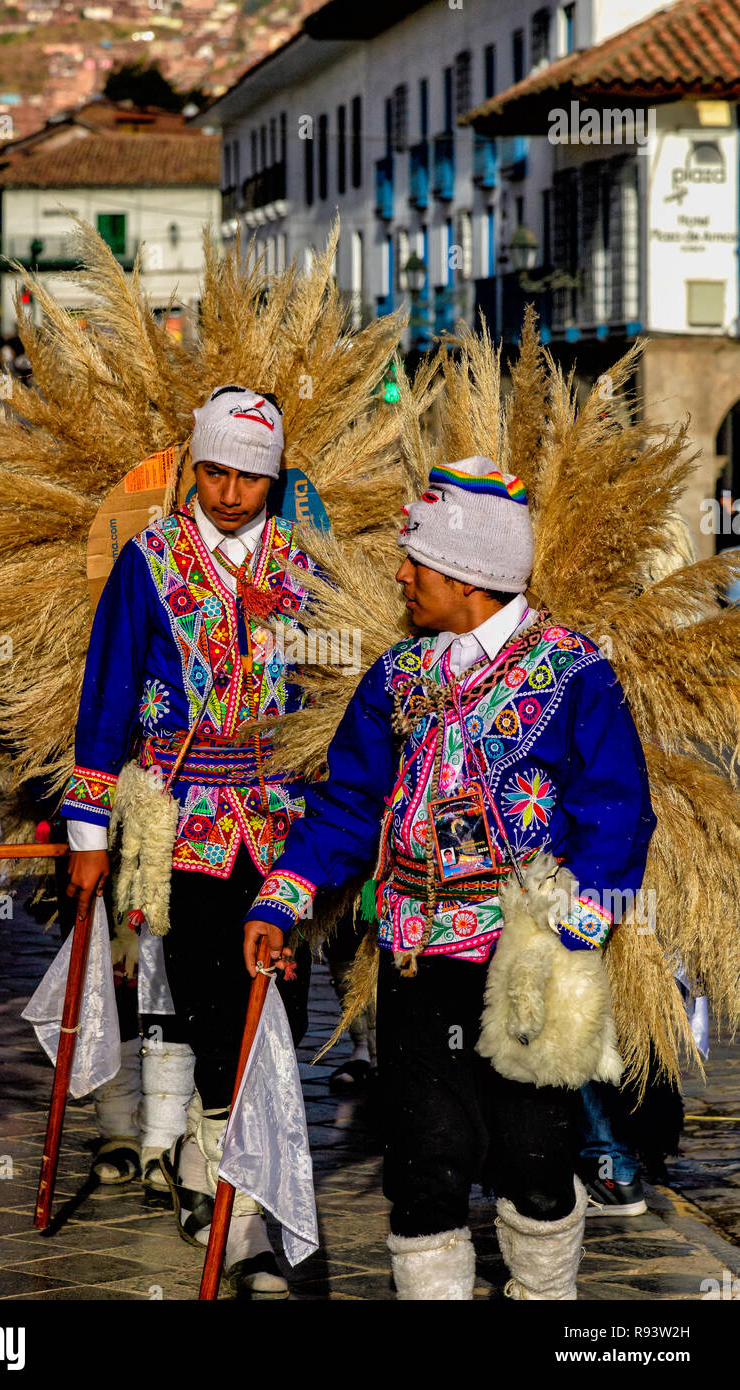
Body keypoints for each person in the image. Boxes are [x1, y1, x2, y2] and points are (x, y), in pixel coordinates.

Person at [243, 455, 656, 1301]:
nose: (399, 574)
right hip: (414, 962)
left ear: (470, 577)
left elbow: (618, 813)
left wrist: (575, 933)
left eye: (415, 561)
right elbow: (350, 801)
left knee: (534, 1162)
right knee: (423, 1162)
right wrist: (283, 896)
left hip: (528, 970)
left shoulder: (577, 674)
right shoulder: (400, 677)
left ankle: (545, 1297)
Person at [63, 385, 317, 1298]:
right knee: (213, 1000)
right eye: (215, 471)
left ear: (275, 478)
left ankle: (260, 1181)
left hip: (285, 823)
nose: (231, 491)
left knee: (279, 1000)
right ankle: (224, 1187)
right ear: (192, 469)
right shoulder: (150, 561)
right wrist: (89, 827)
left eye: (251, 476)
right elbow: (109, 692)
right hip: (184, 821)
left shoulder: (304, 567)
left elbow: (329, 697)